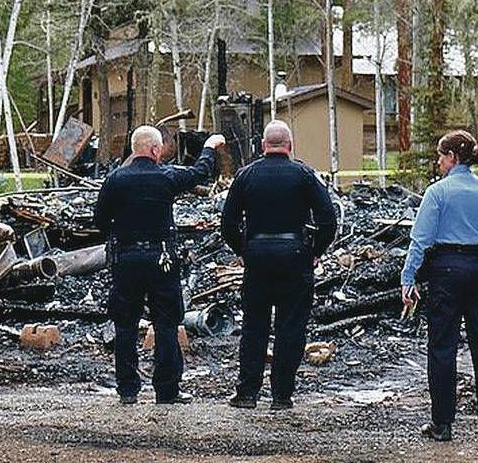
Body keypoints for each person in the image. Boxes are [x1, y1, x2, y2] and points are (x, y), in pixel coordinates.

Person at [94, 126, 225, 405]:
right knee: (166, 324)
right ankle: (167, 390)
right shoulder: (166, 176)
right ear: (155, 150)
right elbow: (200, 173)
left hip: (126, 260)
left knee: (125, 325)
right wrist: (209, 147)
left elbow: (100, 220)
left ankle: (128, 390)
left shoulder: (115, 179)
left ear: (134, 149)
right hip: (161, 260)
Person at [400, 129, 478, 441]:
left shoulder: (437, 193)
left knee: (442, 346)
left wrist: (408, 277)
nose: (438, 161)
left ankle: (443, 423)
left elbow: (420, 240)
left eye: (440, 155)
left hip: (447, 270)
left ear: (452, 157)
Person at [221, 120, 337, 410]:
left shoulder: (246, 175)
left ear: (263, 145)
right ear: (290, 145)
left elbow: (228, 222)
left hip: (258, 256)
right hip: (295, 256)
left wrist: (242, 250)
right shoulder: (304, 175)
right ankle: (282, 395)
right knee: (291, 327)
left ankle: (247, 393)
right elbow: (328, 219)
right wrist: (316, 251)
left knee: (254, 326)